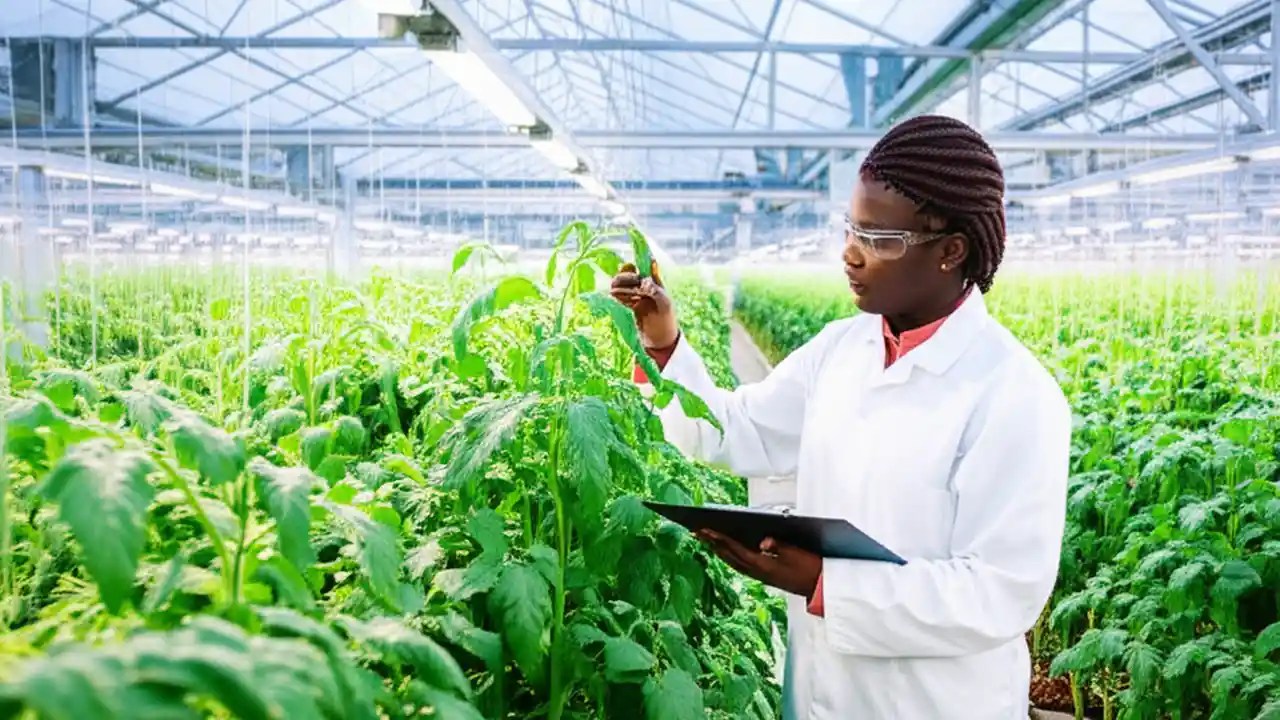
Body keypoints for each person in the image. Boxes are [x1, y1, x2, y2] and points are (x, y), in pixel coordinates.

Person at [611, 114, 1071, 720]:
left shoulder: (1014, 394)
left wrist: (826, 584)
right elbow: (739, 429)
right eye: (851, 227)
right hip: (822, 691)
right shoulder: (840, 348)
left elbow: (999, 592)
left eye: (880, 239)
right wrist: (665, 342)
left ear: (950, 251)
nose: (850, 253)